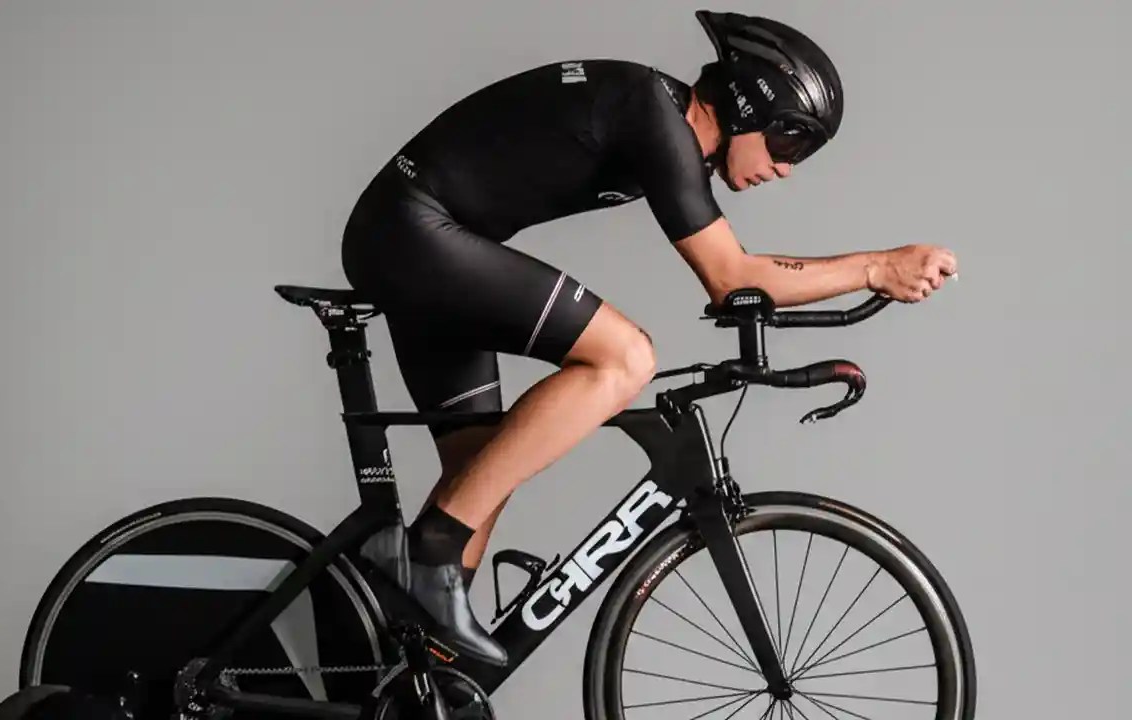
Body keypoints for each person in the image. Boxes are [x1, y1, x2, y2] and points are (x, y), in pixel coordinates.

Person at [340, 9, 957, 666]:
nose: (785, 170)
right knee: (624, 357)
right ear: (752, 110)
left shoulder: (657, 114)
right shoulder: (653, 114)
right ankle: (425, 550)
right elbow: (732, 277)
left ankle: (397, 671)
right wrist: (875, 267)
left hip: (418, 237)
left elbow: (741, 281)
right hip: (412, 232)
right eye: (790, 146)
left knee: (486, 468)